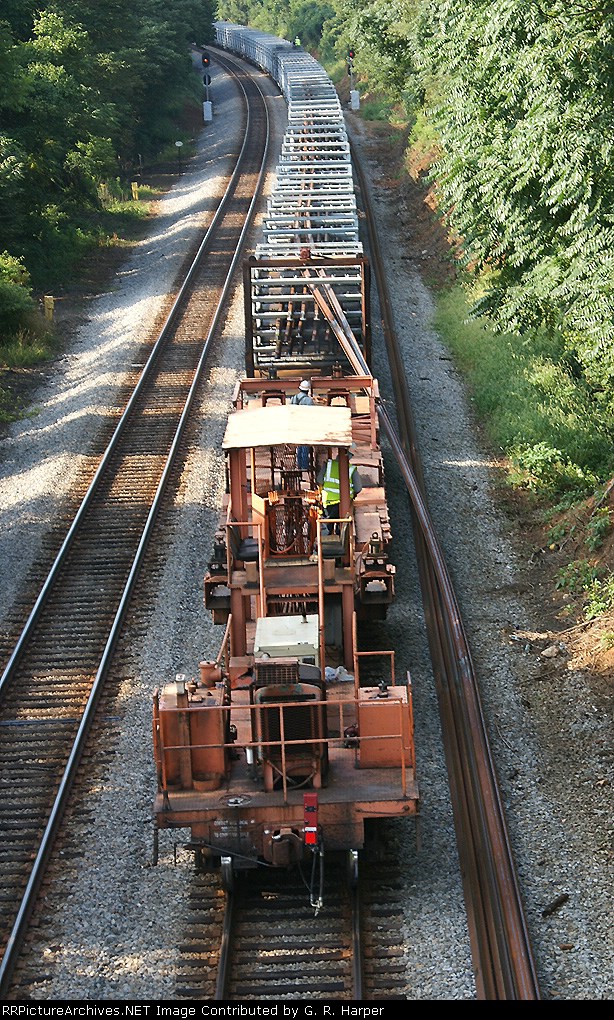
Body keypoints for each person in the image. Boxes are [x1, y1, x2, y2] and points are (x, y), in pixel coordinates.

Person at [318, 447, 362, 533]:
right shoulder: (351, 469)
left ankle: (328, 534)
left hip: (328, 501)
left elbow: (319, 480)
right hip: (344, 503)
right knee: (343, 526)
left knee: (328, 522)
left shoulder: (328, 465)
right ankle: (339, 534)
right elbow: (358, 488)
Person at [290, 380, 313, 471]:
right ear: (308, 390)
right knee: (305, 446)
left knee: (299, 446)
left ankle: (299, 465)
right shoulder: (308, 401)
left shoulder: (294, 398)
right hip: (305, 426)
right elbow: (312, 415)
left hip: (296, 426)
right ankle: (304, 466)